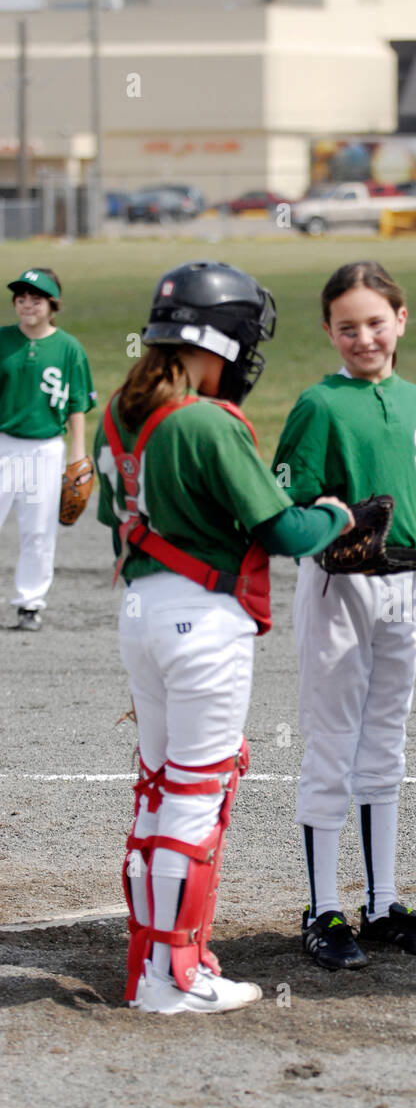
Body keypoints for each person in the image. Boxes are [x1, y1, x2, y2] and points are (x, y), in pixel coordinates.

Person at [94, 261, 352, 1014]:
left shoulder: (121, 412)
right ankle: (170, 981)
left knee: (158, 791)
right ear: (223, 340)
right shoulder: (205, 420)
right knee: (197, 796)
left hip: (140, 613)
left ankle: (155, 963)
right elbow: (281, 528)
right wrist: (338, 515)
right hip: (202, 621)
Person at [272, 260, 416, 969]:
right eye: (346, 326)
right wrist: (328, 522)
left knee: (385, 740)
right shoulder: (319, 405)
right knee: (333, 741)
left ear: (401, 319)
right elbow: (286, 507)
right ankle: (323, 908)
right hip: (338, 589)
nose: (363, 337)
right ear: (330, 332)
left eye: (374, 321)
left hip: (404, 587)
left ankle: (384, 901)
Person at [0, 268, 96, 631]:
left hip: (45, 448)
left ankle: (30, 603)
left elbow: (76, 403)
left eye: (35, 300)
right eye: (21, 299)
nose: (27, 305)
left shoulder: (69, 347)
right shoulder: (2, 339)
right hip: (3, 444)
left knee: (38, 530)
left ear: (51, 305)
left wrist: (78, 452)